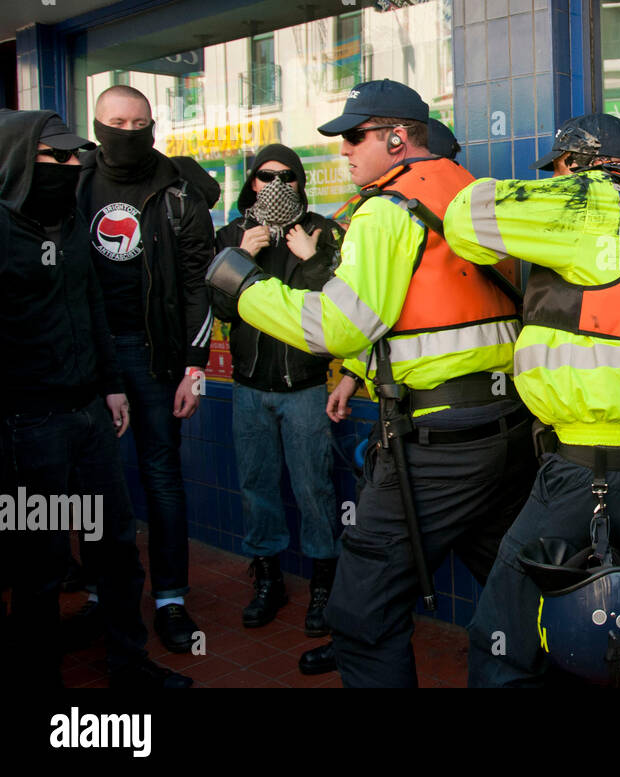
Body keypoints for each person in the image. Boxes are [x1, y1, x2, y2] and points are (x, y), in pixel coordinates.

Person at [206, 80, 534, 687]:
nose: (345, 152)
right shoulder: (471, 193)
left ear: (397, 137)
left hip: (439, 443)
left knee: (359, 614)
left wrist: (247, 289)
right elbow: (435, 305)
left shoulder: (386, 209)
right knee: (514, 593)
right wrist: (359, 375)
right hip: (509, 431)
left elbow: (341, 323)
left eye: (355, 137)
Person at [440, 112, 620, 687]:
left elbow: (464, 220)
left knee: (502, 635)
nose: (557, 179)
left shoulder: (594, 200)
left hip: (594, 469)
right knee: (601, 615)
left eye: (560, 169)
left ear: (578, 164)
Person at [0, 109, 190, 688]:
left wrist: (110, 387)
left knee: (114, 548)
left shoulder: (70, 224)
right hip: (30, 424)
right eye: (53, 158)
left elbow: (93, 310)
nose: (69, 166)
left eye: (73, 157)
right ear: (16, 161)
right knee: (42, 562)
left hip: (89, 416)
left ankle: (129, 663)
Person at [77, 85, 214, 653]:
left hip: (155, 353)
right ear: (98, 123)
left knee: (161, 476)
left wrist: (194, 365)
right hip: (89, 354)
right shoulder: (76, 183)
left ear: (153, 125)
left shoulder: (179, 191)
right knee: (92, 481)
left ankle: (170, 599)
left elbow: (196, 283)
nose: (127, 132)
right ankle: (98, 594)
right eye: (116, 122)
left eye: (138, 123)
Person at [212, 144, 344, 635]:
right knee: (257, 488)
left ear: (300, 183)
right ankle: (267, 579)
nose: (276, 185)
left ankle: (323, 586)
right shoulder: (231, 235)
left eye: (287, 177)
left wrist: (309, 258)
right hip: (248, 388)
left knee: (315, 490)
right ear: (252, 183)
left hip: (305, 388)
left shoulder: (322, 232)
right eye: (266, 177)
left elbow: (337, 302)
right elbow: (221, 310)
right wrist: (243, 257)